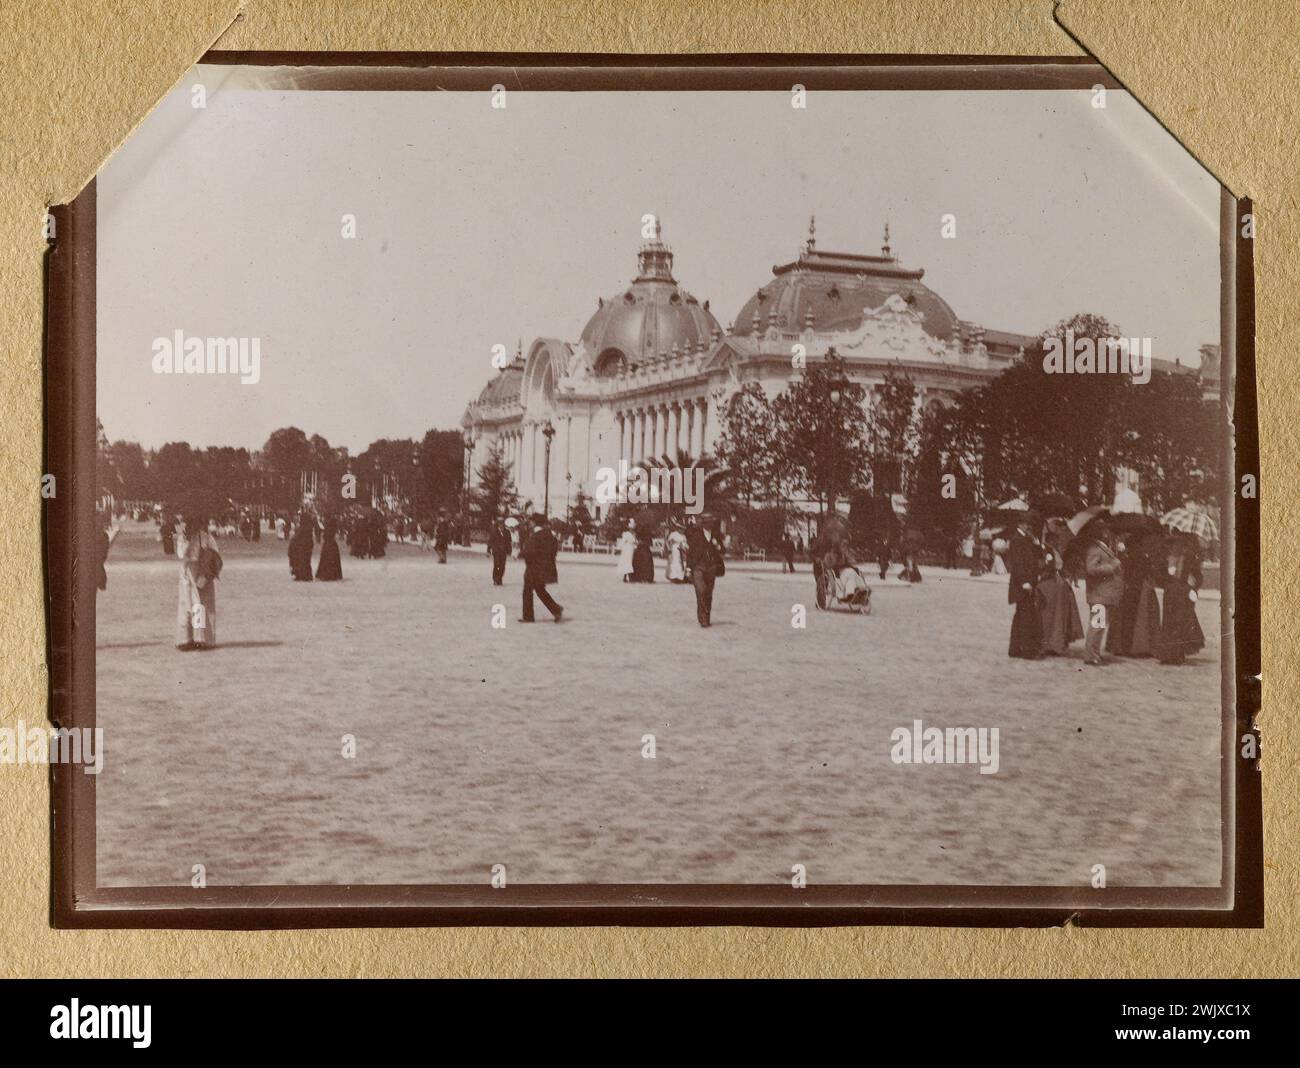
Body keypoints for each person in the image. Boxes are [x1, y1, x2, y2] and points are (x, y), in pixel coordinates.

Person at [1156, 533, 1205, 665]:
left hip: (1183, 594)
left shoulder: (1190, 558)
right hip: (1170, 594)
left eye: (1179, 544)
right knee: (1168, 623)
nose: (1175, 547)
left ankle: (1178, 653)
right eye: (1173, 545)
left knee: (1180, 623)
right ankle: (1167, 654)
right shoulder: (1166, 559)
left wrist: (1193, 586)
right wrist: (1167, 579)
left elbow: (1198, 577)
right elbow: (1159, 577)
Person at [1082, 518, 1124, 666]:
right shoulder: (1094, 549)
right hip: (1099, 595)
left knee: (1099, 625)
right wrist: (1111, 566)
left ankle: (1095, 653)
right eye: (1105, 530)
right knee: (1096, 625)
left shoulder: (1102, 547)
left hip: (1104, 595)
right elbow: (1091, 569)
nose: (1108, 533)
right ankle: (1091, 655)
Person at [1038, 520, 1084, 656]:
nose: (1056, 541)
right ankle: (1051, 642)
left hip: (1058, 584)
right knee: (1052, 614)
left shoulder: (1053, 550)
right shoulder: (1046, 549)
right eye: (1055, 538)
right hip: (1050, 585)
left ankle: (1057, 641)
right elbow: (1045, 567)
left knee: (1058, 613)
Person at [175, 513, 220, 650]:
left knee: (199, 607)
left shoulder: (206, 538)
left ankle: (200, 638)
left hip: (202, 576)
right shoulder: (182, 539)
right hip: (187, 576)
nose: (186, 527)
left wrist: (206, 575)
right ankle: (185, 639)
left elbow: (215, 557)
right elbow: (181, 554)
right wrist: (186, 540)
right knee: (186, 607)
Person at [1113, 533, 1162, 657]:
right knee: (1139, 619)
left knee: (1126, 619)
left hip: (1128, 589)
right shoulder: (1143, 557)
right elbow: (1148, 572)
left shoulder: (1127, 556)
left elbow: (1125, 573)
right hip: (1140, 590)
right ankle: (1136, 647)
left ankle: (1124, 647)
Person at [1006, 512, 1045, 659]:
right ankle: (1027, 651)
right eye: (1027, 524)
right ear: (1021, 524)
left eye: (1030, 524)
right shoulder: (1017, 539)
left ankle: (1015, 649)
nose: (1029, 527)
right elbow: (1017, 564)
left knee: (1021, 616)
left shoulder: (1027, 538)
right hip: (1022, 584)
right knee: (1026, 617)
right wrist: (1024, 582)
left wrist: (1037, 544)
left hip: (1028, 583)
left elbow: (1038, 556)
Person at [520, 514, 563, 623]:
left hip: (533, 568)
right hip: (545, 568)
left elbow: (530, 551)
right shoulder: (550, 536)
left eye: (531, 521)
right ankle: (556, 609)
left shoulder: (535, 536)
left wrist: (520, 554)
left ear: (534, 523)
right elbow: (553, 552)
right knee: (540, 590)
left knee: (528, 591)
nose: (529, 523)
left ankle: (528, 617)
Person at [687, 519, 725, 627]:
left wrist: (717, 545)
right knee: (701, 590)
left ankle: (706, 617)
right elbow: (691, 552)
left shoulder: (716, 536)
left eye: (711, 523)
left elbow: (723, 550)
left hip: (711, 567)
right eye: (707, 522)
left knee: (708, 593)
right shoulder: (696, 536)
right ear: (703, 524)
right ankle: (702, 617)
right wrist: (689, 568)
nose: (710, 525)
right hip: (698, 567)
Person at [288, 511, 315, 581]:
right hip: (306, 547)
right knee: (305, 561)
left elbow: (298, 537)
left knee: (300, 561)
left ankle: (300, 575)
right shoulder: (309, 527)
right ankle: (306, 575)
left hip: (301, 547)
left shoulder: (303, 527)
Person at [316, 515, 343, 580]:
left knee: (326, 558)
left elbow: (325, 535)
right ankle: (334, 574)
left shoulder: (328, 527)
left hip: (327, 544)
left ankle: (325, 573)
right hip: (332, 544)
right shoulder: (333, 527)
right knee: (333, 559)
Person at [488, 519, 511, 585]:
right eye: (500, 524)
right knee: (496, 565)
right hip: (496, 551)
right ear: (498, 525)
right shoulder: (494, 532)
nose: (501, 526)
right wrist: (488, 550)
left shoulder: (507, 532)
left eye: (502, 524)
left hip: (504, 551)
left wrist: (509, 550)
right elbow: (490, 541)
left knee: (502, 566)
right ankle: (495, 579)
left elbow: (509, 542)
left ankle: (500, 578)